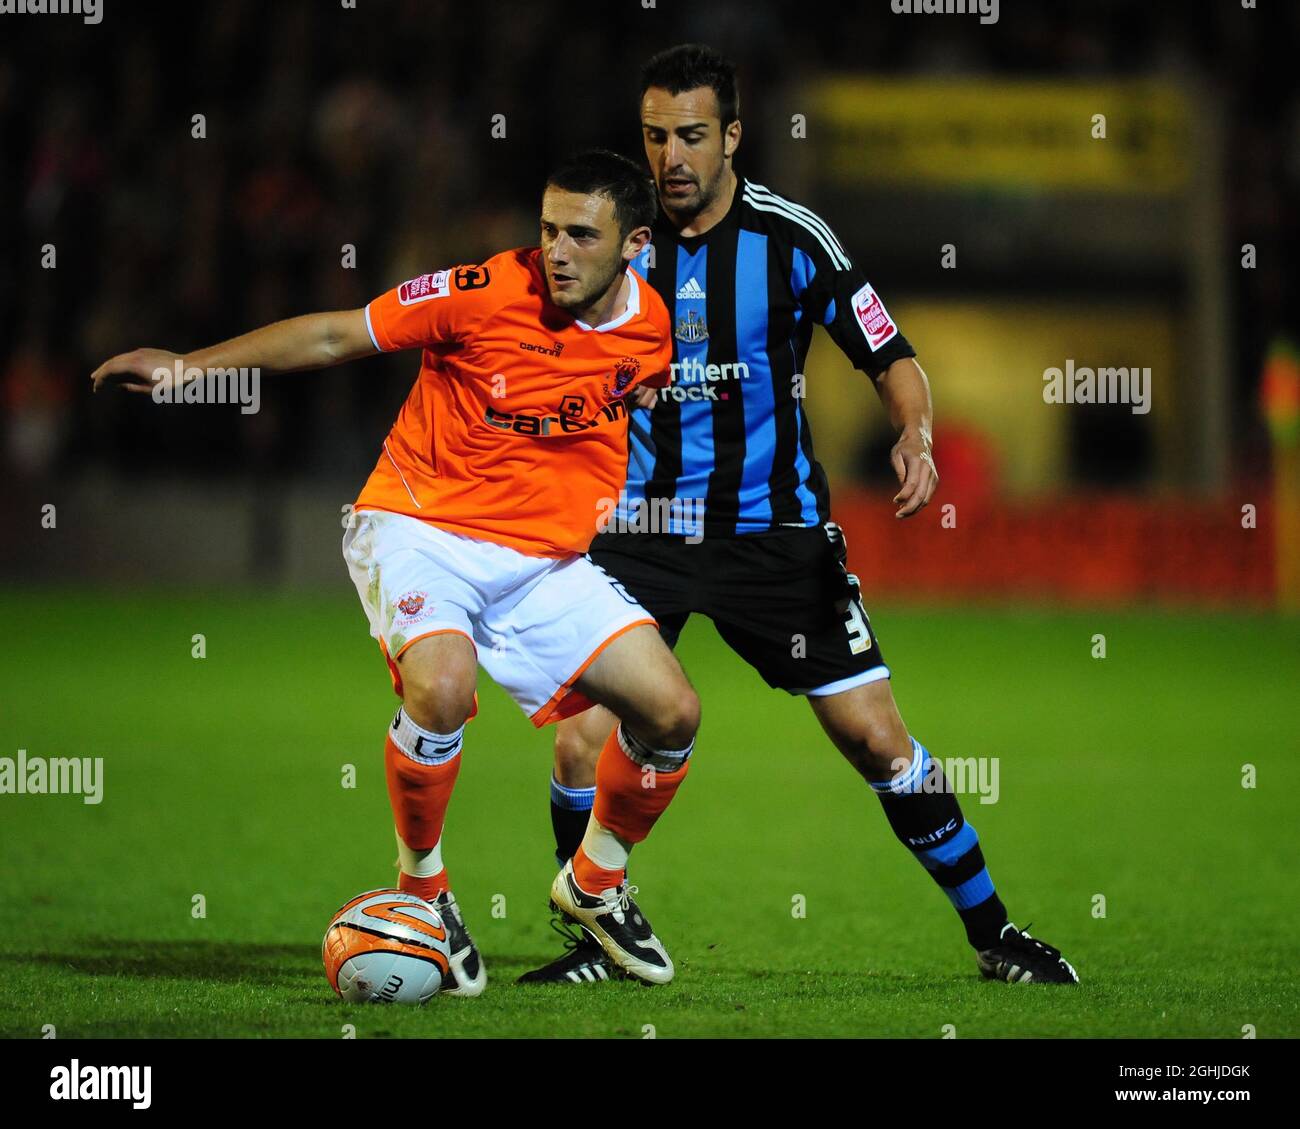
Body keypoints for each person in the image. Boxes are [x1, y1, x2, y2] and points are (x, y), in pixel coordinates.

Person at [523, 47, 1078, 986]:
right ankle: (599, 937)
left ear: (733, 135)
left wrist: (917, 432)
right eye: (655, 137)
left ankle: (995, 936)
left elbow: (889, 353)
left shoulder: (792, 239)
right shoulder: (613, 239)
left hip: (772, 533)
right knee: (582, 734)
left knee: (876, 736)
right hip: (639, 531)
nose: (672, 158)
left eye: (692, 135)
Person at [92, 149, 699, 990]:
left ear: (634, 244)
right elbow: (340, 331)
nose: (555, 250)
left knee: (672, 711)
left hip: (542, 561)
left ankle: (593, 882)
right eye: (548, 228)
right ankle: (425, 892)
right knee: (443, 689)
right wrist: (191, 368)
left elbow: (635, 391)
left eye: (580, 235)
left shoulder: (653, 323)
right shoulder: (483, 291)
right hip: (422, 525)